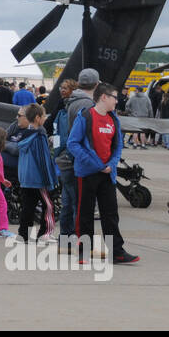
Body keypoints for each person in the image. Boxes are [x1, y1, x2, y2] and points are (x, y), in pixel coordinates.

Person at [67, 82, 139, 264]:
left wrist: (112, 164)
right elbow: (72, 144)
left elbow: (118, 146)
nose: (117, 101)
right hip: (87, 173)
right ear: (104, 97)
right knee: (85, 213)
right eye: (115, 97)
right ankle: (84, 250)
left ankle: (116, 252)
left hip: (108, 174)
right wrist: (97, 164)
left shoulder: (113, 119)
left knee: (110, 213)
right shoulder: (85, 116)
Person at [54, 69, 99, 248]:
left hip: (64, 158)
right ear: (96, 84)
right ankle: (78, 241)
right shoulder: (88, 104)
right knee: (79, 204)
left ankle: (65, 239)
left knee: (68, 201)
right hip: (76, 160)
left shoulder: (69, 104)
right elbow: (86, 136)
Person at [16, 105, 58, 244]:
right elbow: (43, 159)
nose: (45, 119)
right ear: (38, 118)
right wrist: (49, 179)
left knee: (28, 207)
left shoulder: (23, 134)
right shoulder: (39, 135)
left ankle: (23, 235)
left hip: (26, 177)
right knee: (49, 205)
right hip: (39, 178)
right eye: (44, 116)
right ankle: (44, 234)